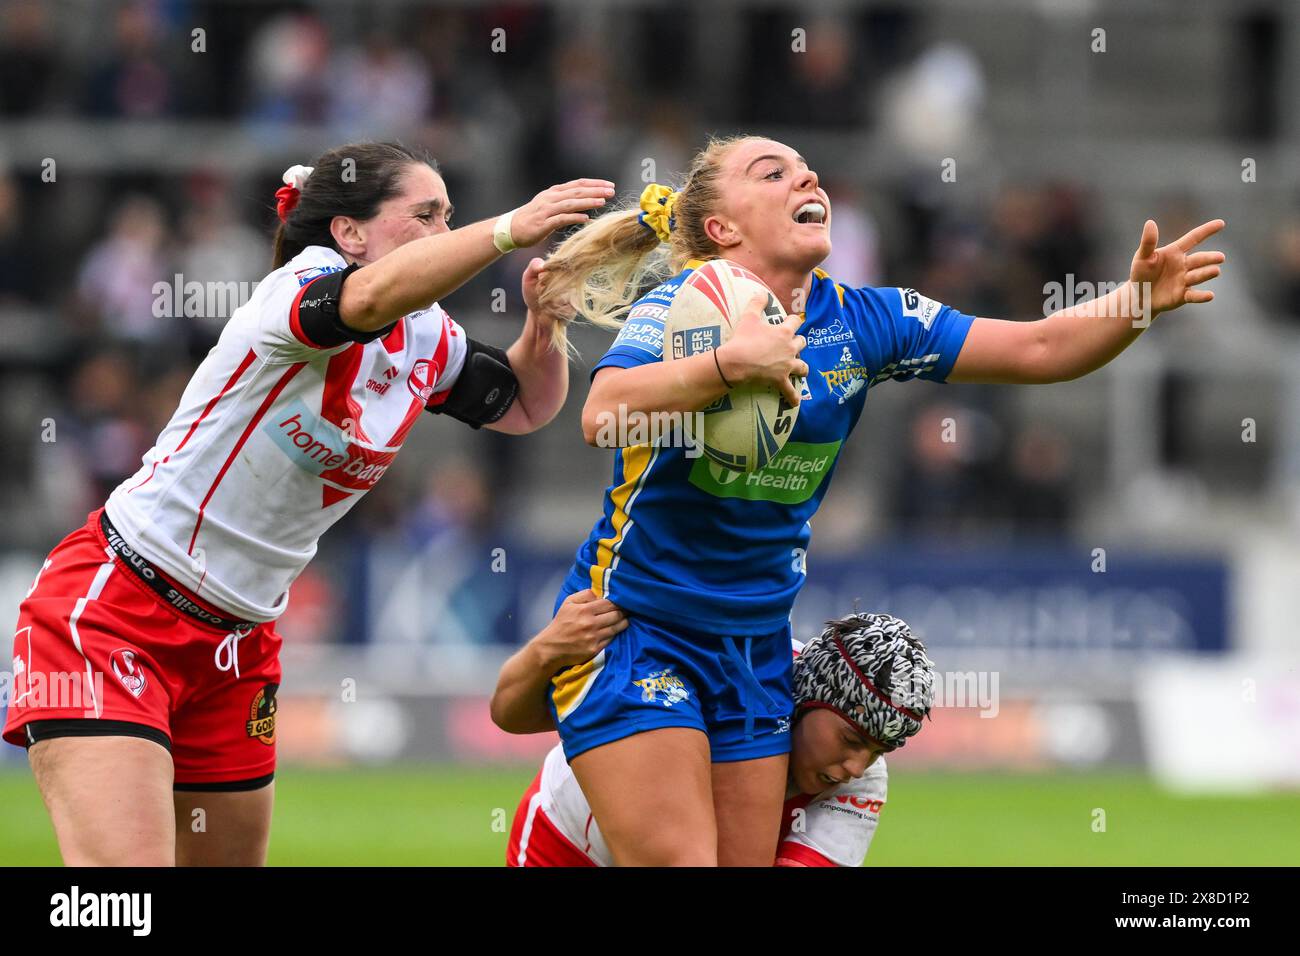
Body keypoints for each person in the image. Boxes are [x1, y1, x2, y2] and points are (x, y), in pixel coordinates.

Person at [532, 134, 1225, 866]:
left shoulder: (866, 323)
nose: (807, 178)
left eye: (808, 169)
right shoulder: (682, 308)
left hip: (753, 648)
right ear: (721, 228)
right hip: (638, 628)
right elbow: (602, 415)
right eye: (774, 174)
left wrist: (1138, 302)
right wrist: (726, 366)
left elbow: (1040, 350)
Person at [2, 141, 615, 866]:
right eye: (424, 216)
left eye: (451, 216)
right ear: (349, 234)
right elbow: (369, 299)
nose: (445, 235)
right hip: (118, 612)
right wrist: (510, 228)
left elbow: (523, 406)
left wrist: (544, 326)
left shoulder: (425, 336)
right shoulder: (303, 287)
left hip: (238, 647)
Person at [493, 599, 935, 867]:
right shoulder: (727, 672)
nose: (856, 767)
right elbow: (510, 714)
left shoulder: (863, 783)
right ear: (809, 696)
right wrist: (545, 650)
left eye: (879, 751)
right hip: (568, 844)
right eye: (852, 740)